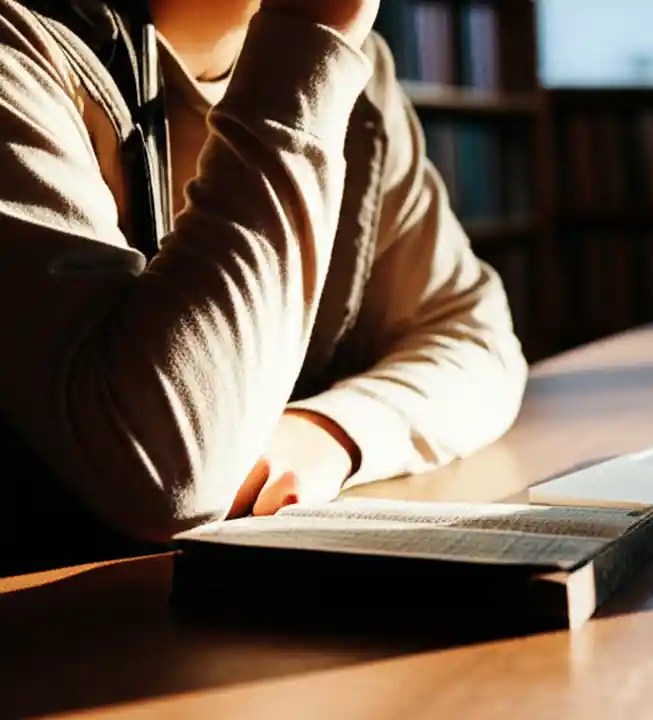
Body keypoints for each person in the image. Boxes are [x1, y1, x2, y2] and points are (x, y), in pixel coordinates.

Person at [0, 0, 527, 569]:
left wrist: (328, 432)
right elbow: (168, 472)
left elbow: (480, 339)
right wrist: (310, 37)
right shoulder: (22, 50)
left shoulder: (353, 66)